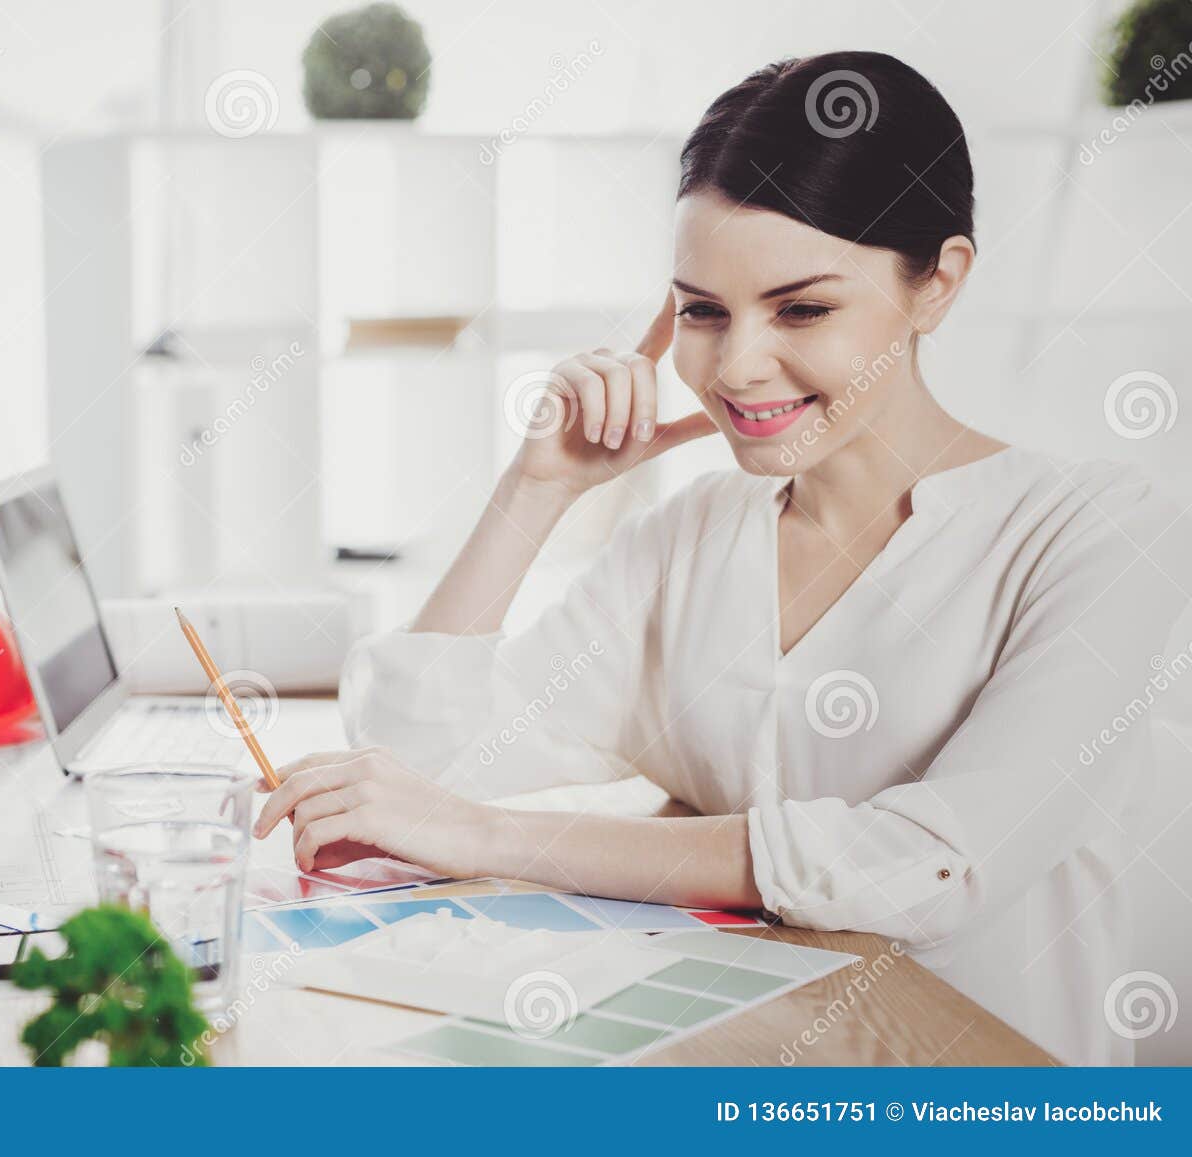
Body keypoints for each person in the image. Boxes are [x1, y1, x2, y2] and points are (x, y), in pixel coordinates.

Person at [254, 50, 1190, 1065]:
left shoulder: (1097, 531)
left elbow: (932, 865)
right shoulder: (695, 531)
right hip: (746, 1054)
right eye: (702, 310)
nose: (735, 365)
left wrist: (483, 834)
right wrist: (534, 495)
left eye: (801, 308)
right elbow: (420, 765)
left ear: (938, 284)